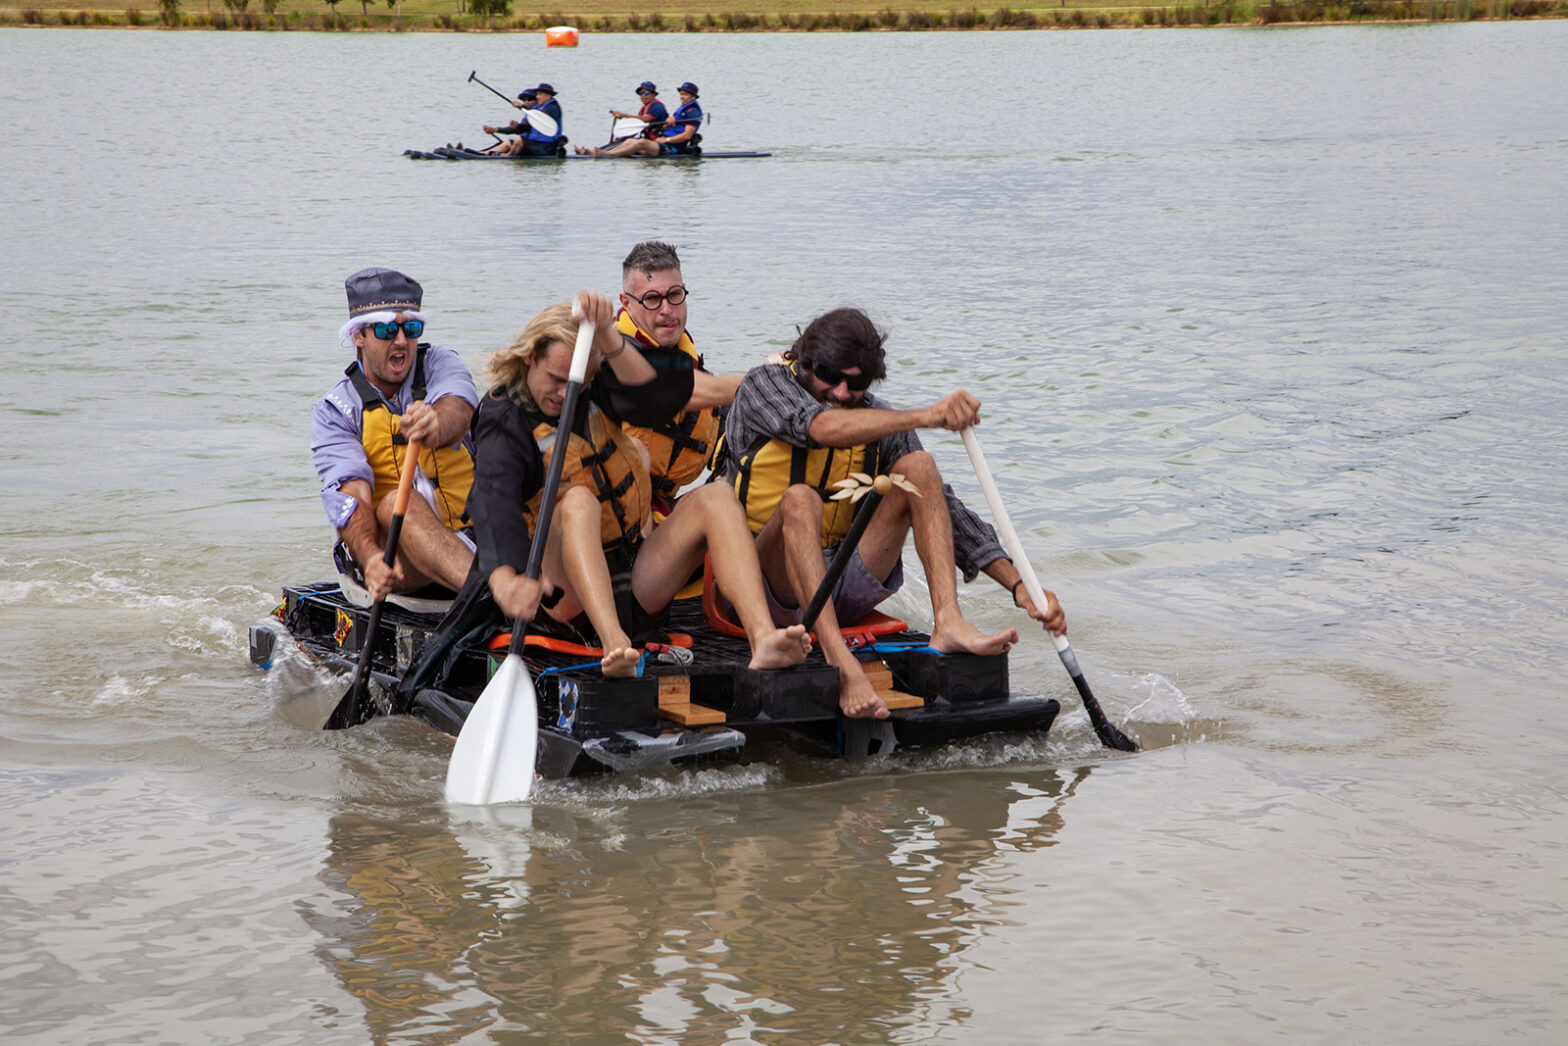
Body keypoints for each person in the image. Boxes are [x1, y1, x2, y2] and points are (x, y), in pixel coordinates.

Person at [719, 307, 1068, 719]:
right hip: (770, 586)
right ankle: (840, 662)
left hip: (842, 579)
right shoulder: (764, 386)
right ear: (806, 361)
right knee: (800, 498)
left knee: (920, 469)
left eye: (857, 382)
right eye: (831, 377)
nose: (843, 393)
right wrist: (929, 415)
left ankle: (949, 622)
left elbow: (946, 509)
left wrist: (1018, 585)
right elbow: (817, 427)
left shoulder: (877, 415)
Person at [466, 293, 810, 679]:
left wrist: (609, 337)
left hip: (633, 576)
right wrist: (505, 580)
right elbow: (491, 498)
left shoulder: (592, 384)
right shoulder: (503, 416)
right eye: (555, 380)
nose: (566, 394)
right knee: (577, 499)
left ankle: (762, 637)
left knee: (715, 496)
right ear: (530, 357)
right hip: (566, 600)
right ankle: (615, 645)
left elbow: (653, 396)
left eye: (575, 382)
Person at [310, 267, 477, 605]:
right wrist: (371, 558)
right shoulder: (336, 410)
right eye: (387, 329)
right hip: (397, 559)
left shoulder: (440, 364)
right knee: (393, 505)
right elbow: (350, 495)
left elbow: (457, 408)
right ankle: (496, 596)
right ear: (359, 336)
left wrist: (434, 423)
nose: (401, 340)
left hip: (473, 536)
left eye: (410, 328)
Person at [614, 241, 741, 515]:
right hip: (613, 518)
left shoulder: (697, 372)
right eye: (651, 299)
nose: (667, 310)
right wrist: (766, 380)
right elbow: (666, 388)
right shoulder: (606, 358)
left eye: (674, 295)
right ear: (626, 303)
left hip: (664, 514)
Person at [576, 82, 702, 158]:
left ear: (693, 97)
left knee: (640, 143)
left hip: (672, 148)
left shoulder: (693, 111)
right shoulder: (683, 109)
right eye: (681, 94)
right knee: (629, 141)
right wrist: (667, 124)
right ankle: (594, 152)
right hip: (661, 143)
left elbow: (687, 136)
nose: (682, 97)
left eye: (685, 95)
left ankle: (607, 155)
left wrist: (666, 139)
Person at [481, 88, 536, 156]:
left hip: (537, 147)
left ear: (536, 101)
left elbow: (523, 128)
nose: (526, 102)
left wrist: (522, 106)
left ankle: (486, 154)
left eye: (529, 100)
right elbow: (522, 128)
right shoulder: (529, 114)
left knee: (510, 142)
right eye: (524, 100)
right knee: (505, 143)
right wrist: (495, 130)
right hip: (529, 143)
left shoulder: (537, 114)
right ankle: (481, 153)